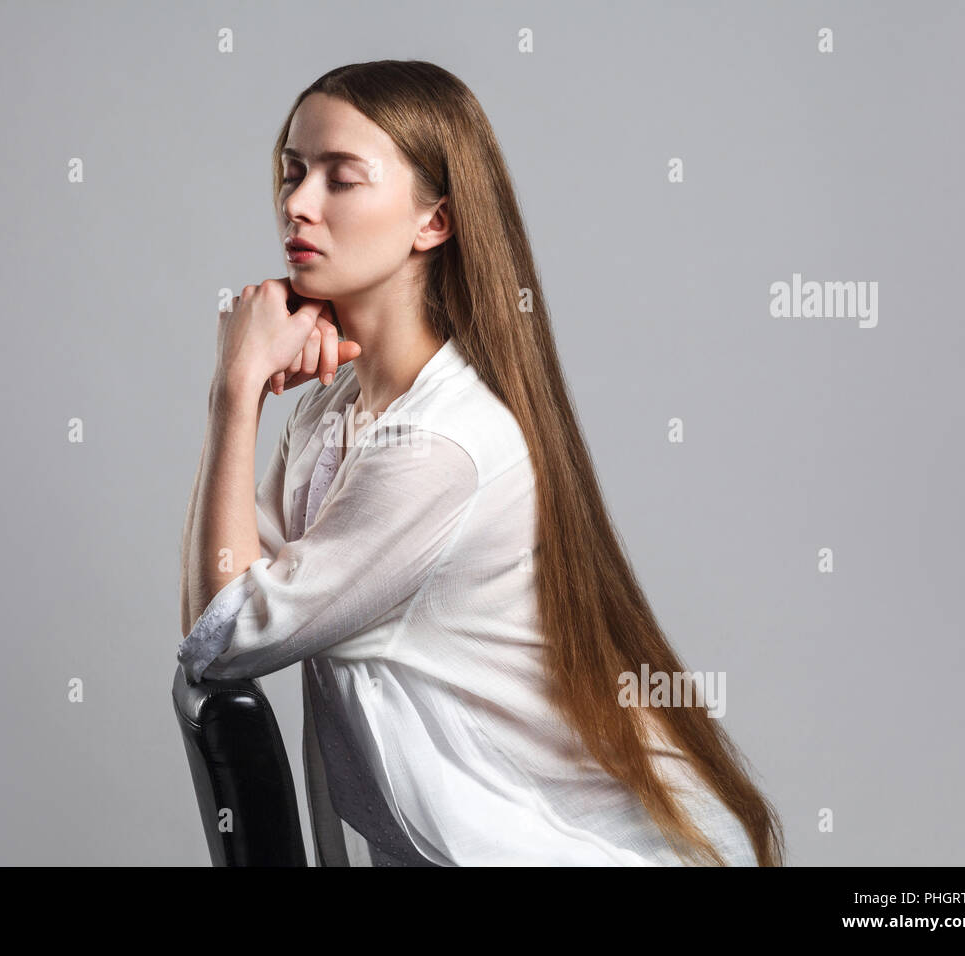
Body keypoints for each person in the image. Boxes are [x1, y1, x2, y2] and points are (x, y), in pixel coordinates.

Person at [178, 60, 784, 867]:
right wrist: (246, 399)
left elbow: (221, 640)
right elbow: (216, 618)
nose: (297, 202)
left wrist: (235, 390)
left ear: (433, 221)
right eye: (292, 173)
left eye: (341, 178)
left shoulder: (437, 449)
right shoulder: (333, 413)